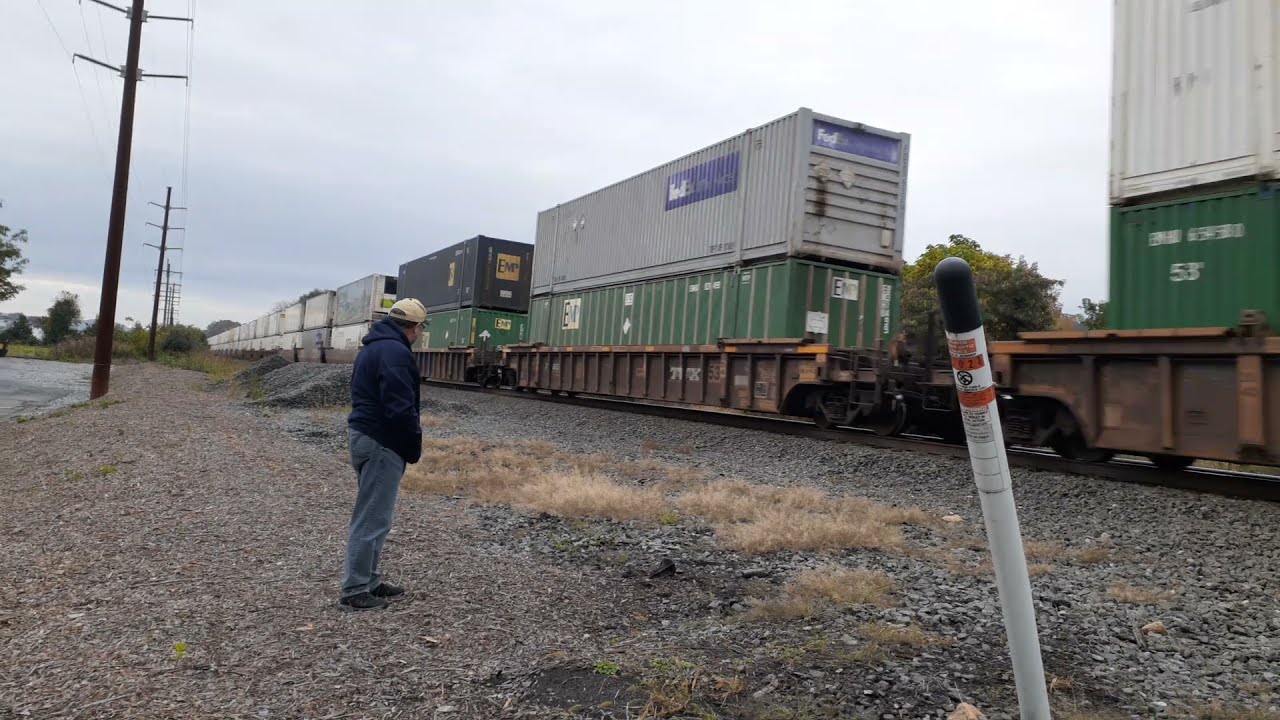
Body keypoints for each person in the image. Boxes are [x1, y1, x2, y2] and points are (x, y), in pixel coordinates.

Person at [339, 297, 428, 611]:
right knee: (372, 518)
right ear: (415, 328)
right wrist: (413, 445)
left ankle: (370, 580)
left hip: (366, 436)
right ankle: (354, 590)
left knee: (378, 514)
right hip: (381, 441)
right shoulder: (394, 352)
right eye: (420, 329)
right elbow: (400, 408)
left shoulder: (374, 347)